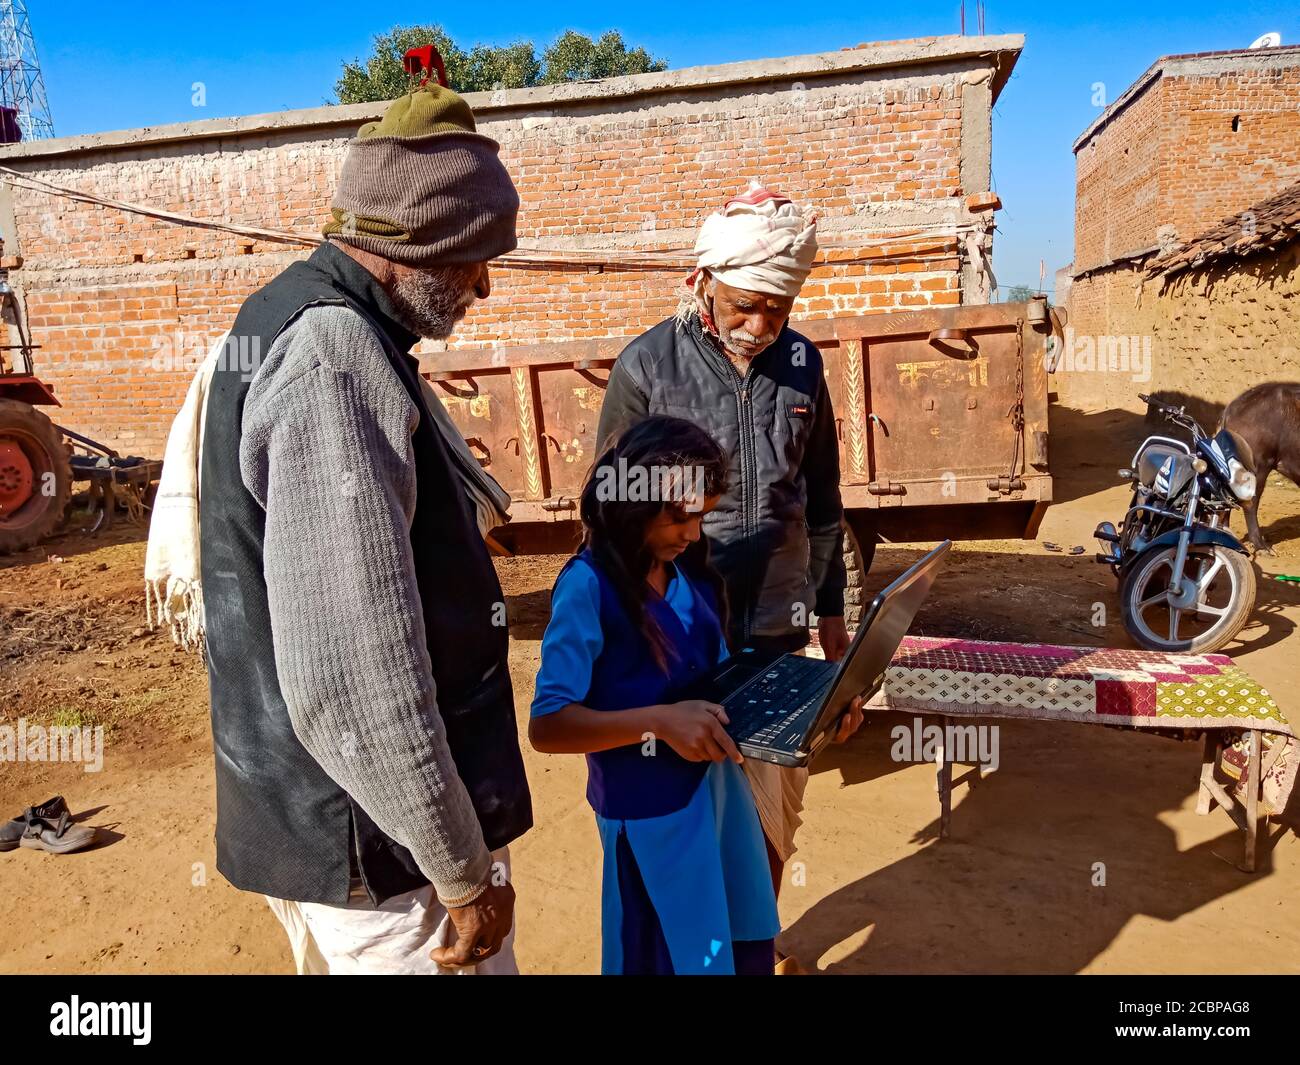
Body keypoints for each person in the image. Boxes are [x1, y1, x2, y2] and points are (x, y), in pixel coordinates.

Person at [199, 69, 532, 974]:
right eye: (472, 256)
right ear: (409, 239)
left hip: (361, 831)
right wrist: (460, 870)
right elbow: (351, 678)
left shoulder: (301, 316)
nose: (484, 286)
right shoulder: (335, 356)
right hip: (385, 856)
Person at [595, 186, 864, 960]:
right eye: (746, 305)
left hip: (778, 633)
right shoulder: (648, 365)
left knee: (771, 823)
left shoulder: (802, 364)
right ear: (703, 281)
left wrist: (836, 630)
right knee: (685, 829)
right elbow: (611, 507)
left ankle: (750, 947)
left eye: (777, 310)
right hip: (681, 644)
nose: (761, 327)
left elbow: (822, 501)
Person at [528, 416, 781, 974]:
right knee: (668, 949)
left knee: (731, 941)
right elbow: (548, 726)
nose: (691, 533)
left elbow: (717, 682)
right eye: (679, 516)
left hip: (716, 795)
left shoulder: (687, 572)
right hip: (647, 814)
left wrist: (809, 710)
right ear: (632, 501)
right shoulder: (587, 587)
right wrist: (659, 724)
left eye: (701, 517)